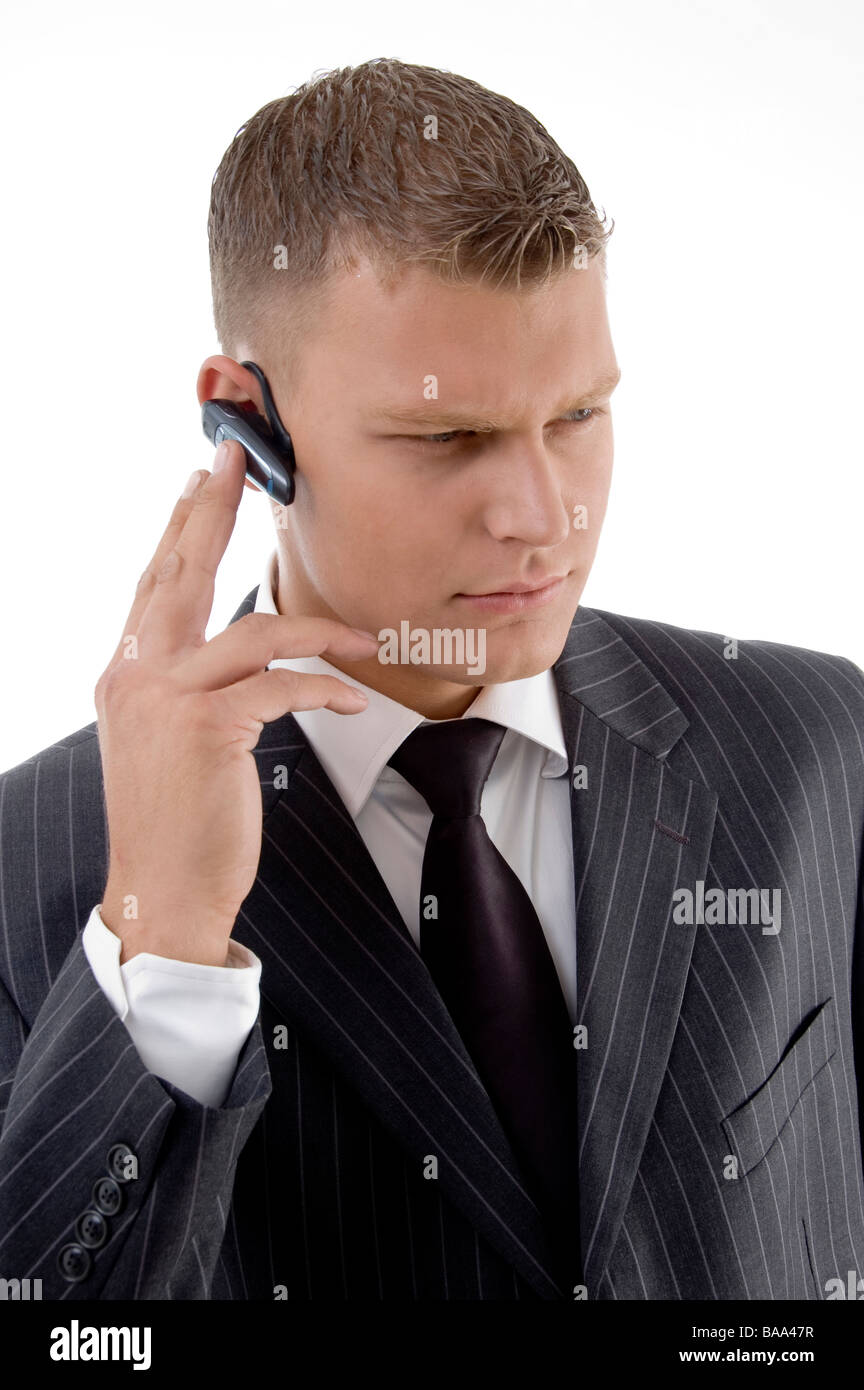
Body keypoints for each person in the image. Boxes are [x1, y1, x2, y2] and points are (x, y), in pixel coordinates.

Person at [1, 57, 863, 1302]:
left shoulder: (806, 744)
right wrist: (165, 943)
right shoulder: (39, 864)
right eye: (446, 436)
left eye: (577, 415)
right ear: (251, 423)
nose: (542, 514)